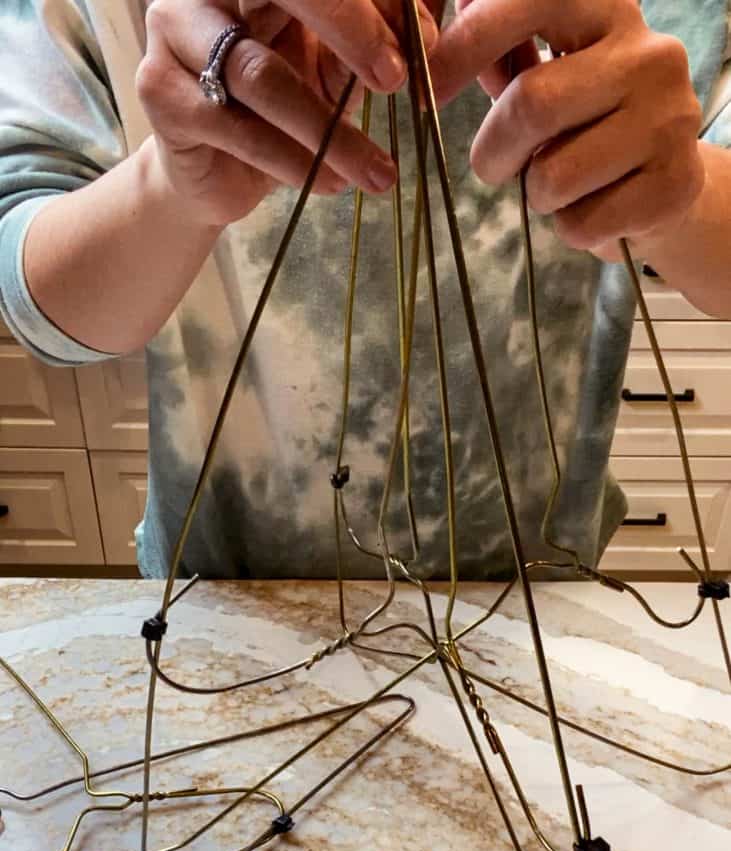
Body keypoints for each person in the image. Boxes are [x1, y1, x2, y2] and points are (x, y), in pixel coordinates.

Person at [1, 0, 731, 580]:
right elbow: (43, 302)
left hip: (538, 589)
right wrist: (173, 184)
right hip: (226, 601)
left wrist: (681, 191)